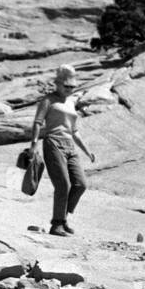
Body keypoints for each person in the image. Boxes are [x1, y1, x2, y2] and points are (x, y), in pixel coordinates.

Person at [29, 64, 95, 236]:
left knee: (80, 184)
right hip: (53, 143)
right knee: (63, 185)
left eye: (72, 87)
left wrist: (87, 151)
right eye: (66, 86)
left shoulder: (71, 103)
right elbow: (37, 122)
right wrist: (34, 144)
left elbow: (74, 131)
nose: (69, 90)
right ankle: (56, 225)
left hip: (70, 145)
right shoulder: (48, 100)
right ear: (57, 84)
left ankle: (62, 219)